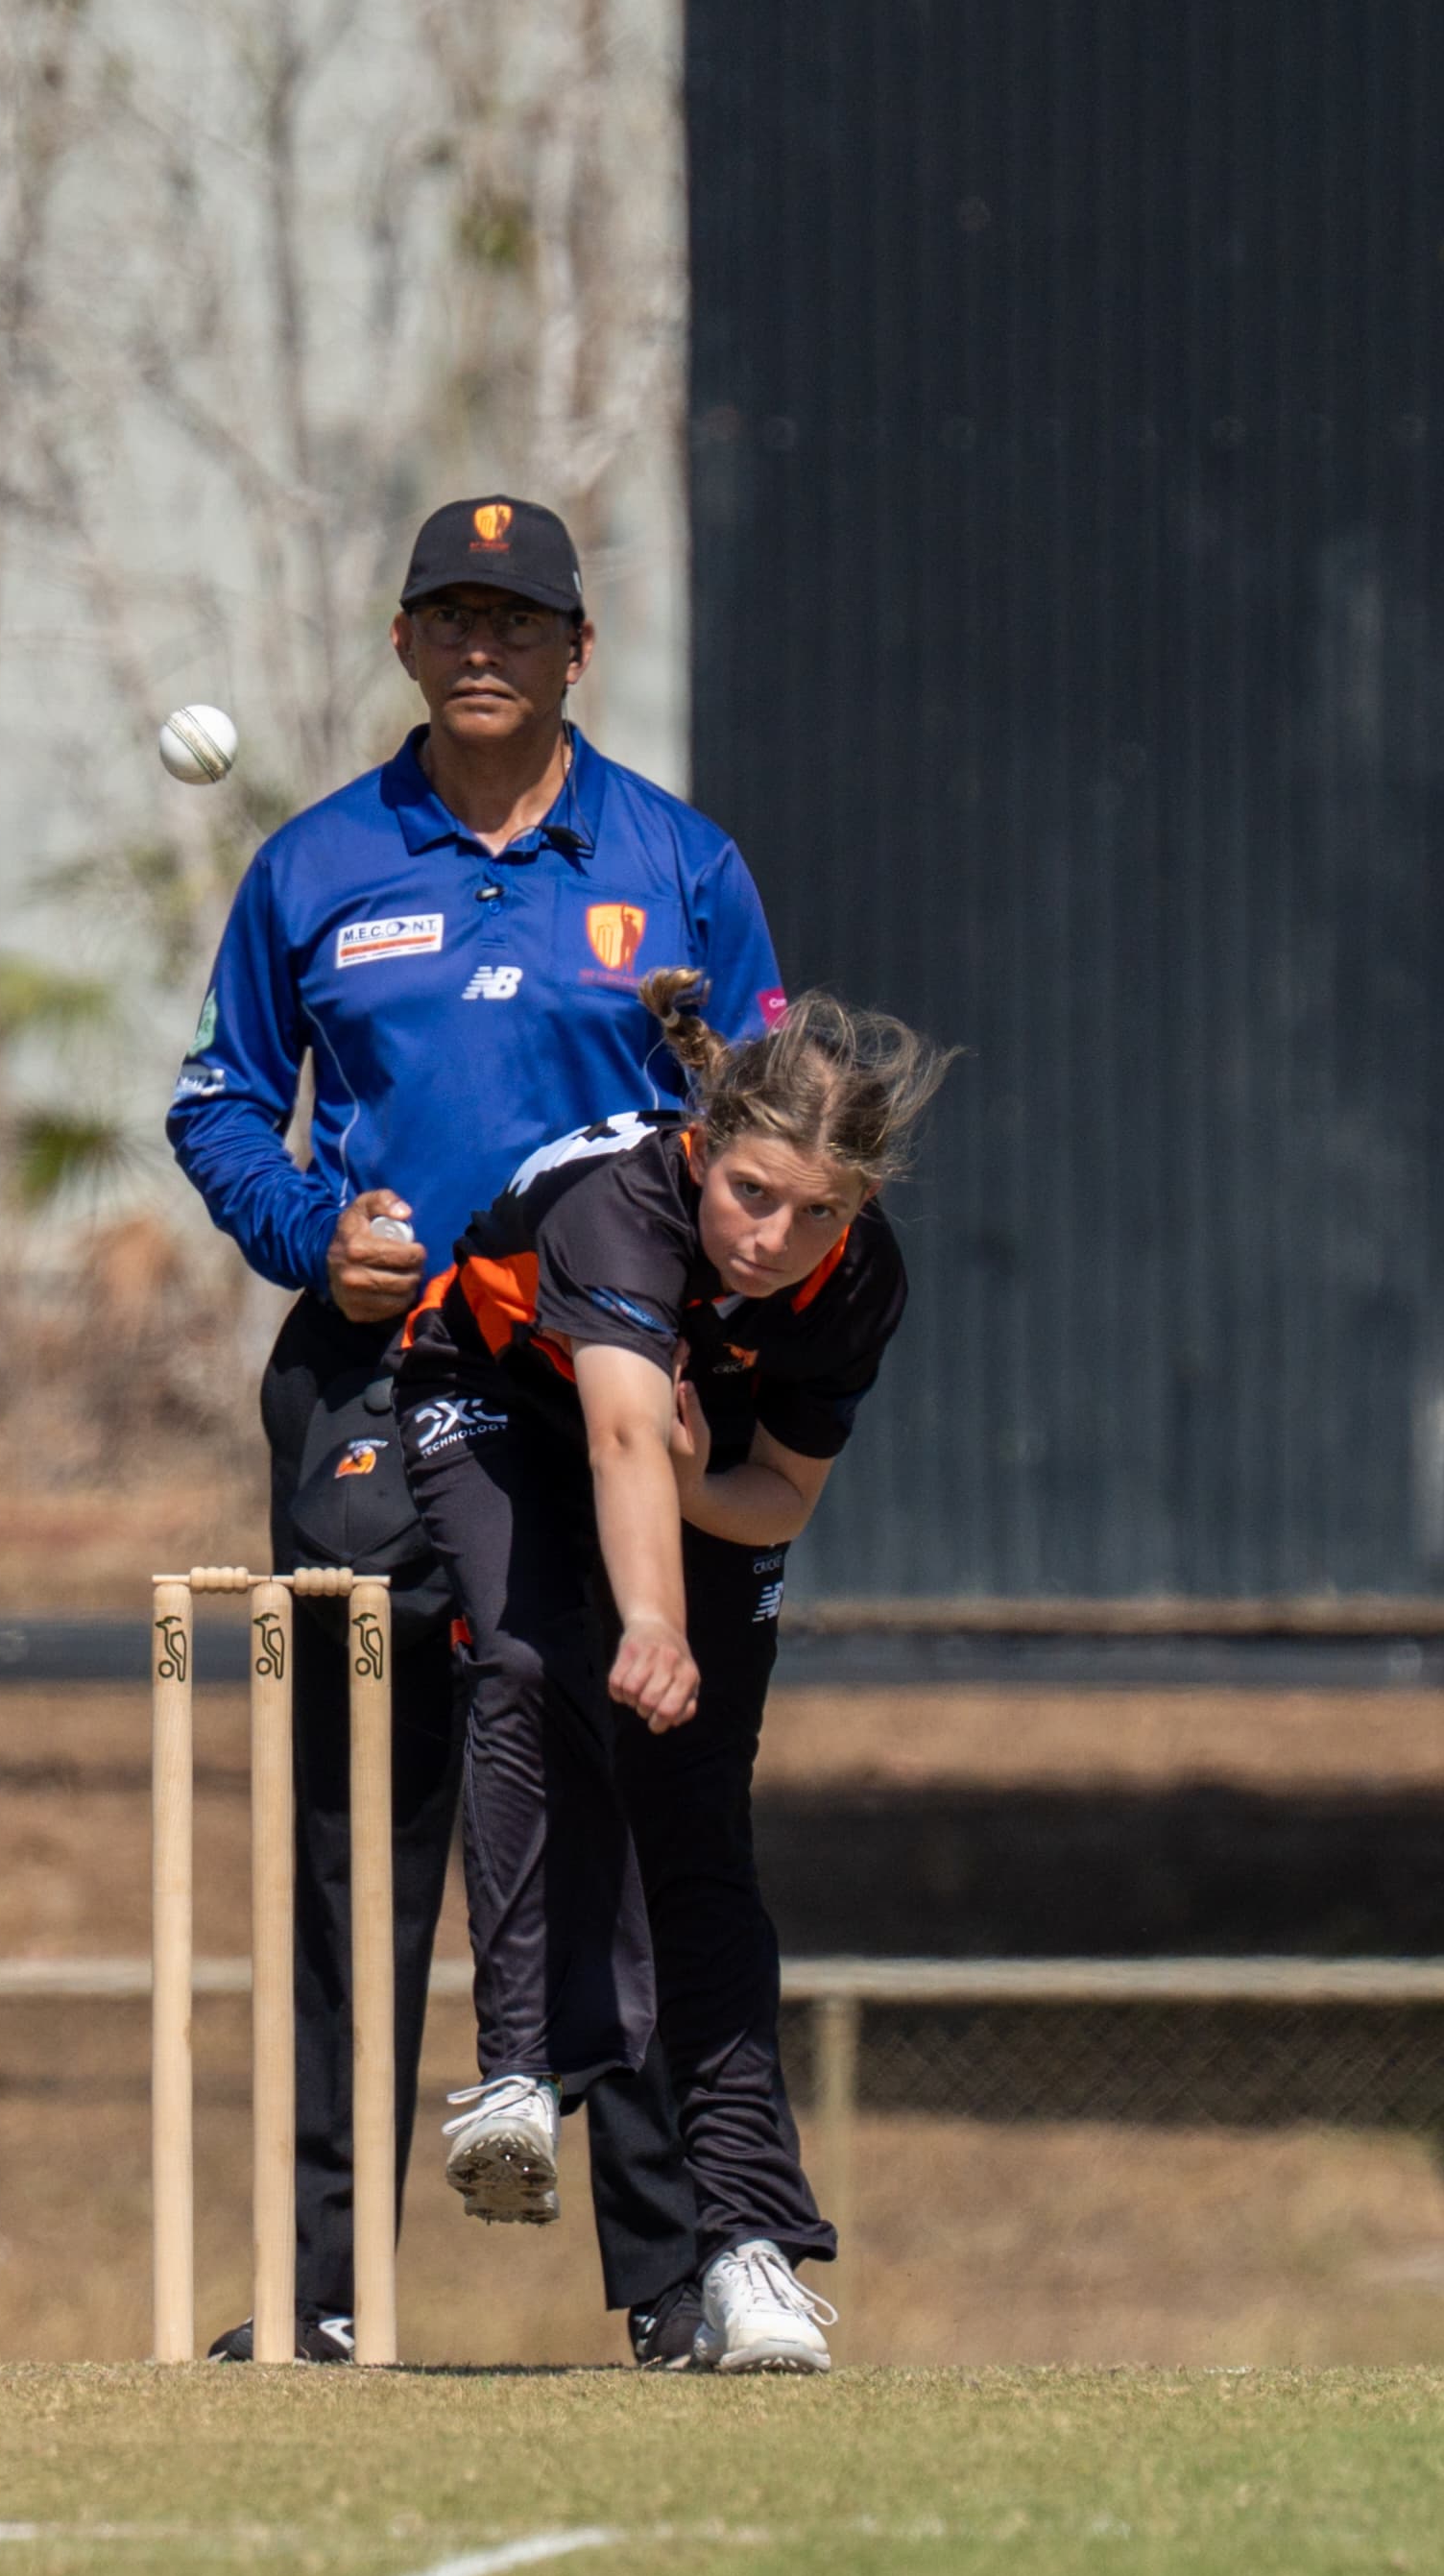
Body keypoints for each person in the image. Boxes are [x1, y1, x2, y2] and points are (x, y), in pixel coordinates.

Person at [165, 496, 784, 2363]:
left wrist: (707, 1330)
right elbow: (213, 1102)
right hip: (367, 1389)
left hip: (598, 1400)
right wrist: (310, 1238)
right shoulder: (318, 862)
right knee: (359, 1842)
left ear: (578, 649)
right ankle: (319, 2297)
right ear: (404, 642)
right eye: (449, 613)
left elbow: (761, 1125)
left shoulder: (675, 862)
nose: (483, 644)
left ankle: (675, 2285)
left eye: (519, 617)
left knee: (633, 1810)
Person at [390, 975, 943, 2371]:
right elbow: (619, 1435)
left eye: (819, 1209)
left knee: (695, 1833)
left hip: (682, 1475)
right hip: (497, 1403)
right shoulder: (617, 1207)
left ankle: (749, 2247)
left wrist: (703, 1501)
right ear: (705, 1151)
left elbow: (775, 1499)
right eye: (754, 1193)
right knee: (523, 1661)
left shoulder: (857, 1280)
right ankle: (516, 2071)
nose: (776, 1237)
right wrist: (653, 1619)